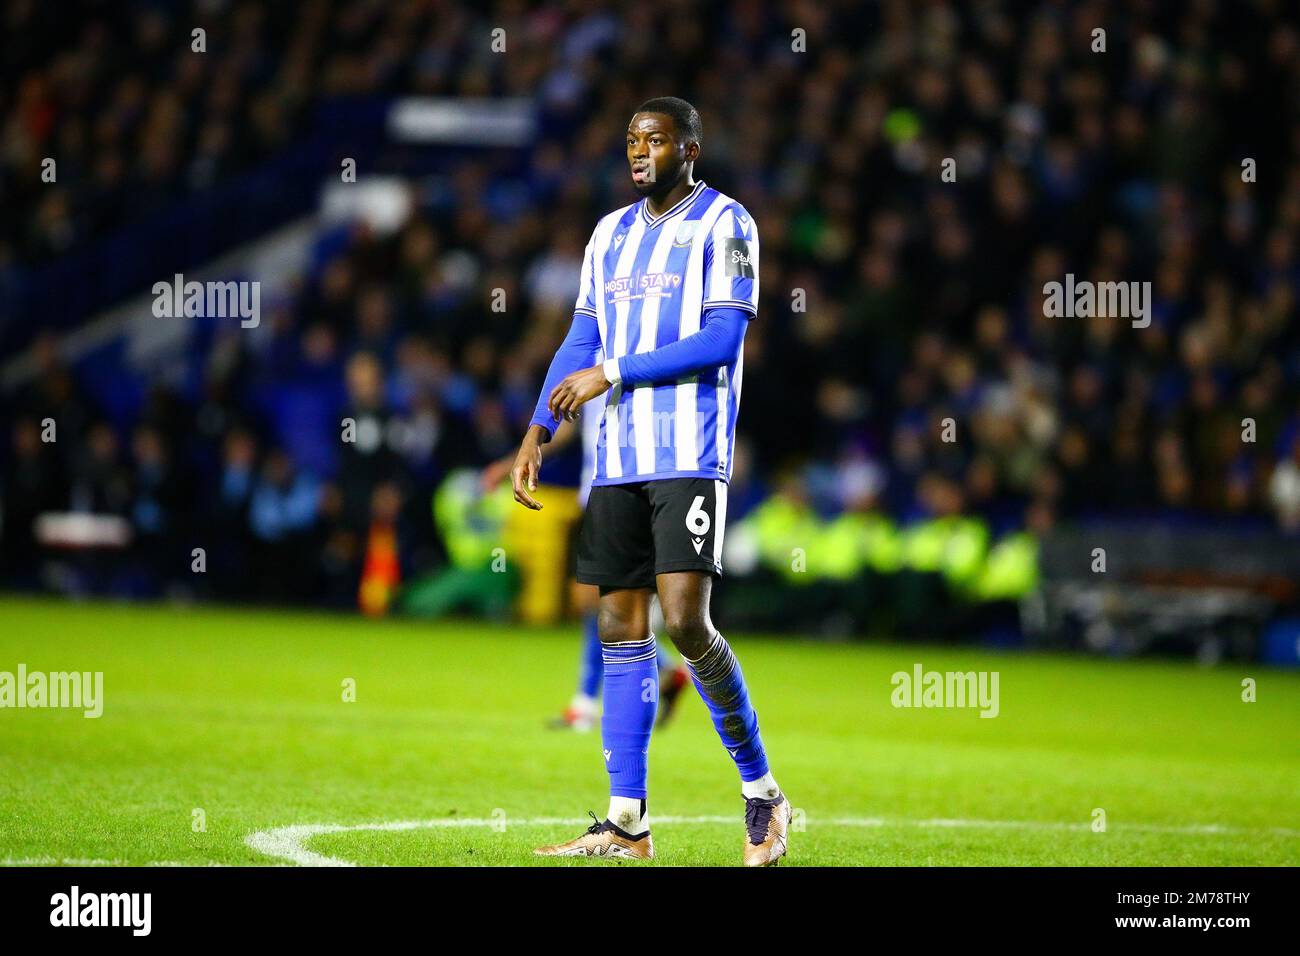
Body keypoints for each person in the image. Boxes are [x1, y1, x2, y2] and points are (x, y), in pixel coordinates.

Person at [508, 97, 789, 865]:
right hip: (615, 463)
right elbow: (581, 338)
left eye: (655, 139)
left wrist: (615, 372)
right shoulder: (609, 234)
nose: (639, 151)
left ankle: (762, 793)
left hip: (689, 452)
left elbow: (723, 337)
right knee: (619, 628)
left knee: (685, 622)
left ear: (688, 149)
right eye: (631, 139)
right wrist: (538, 432)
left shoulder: (728, 223)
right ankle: (627, 819)